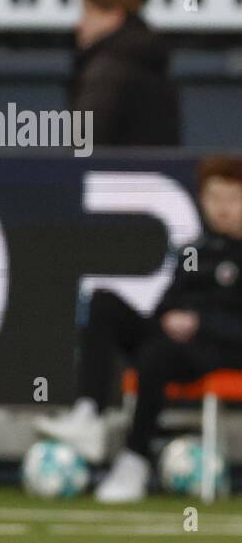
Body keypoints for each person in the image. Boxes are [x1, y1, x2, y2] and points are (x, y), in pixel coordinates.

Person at [36, 155, 242, 502]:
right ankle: (89, 414)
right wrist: (170, 317)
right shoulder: (196, 251)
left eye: (233, 199)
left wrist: (199, 323)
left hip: (220, 352)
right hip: (173, 346)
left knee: (155, 355)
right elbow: (165, 304)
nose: (223, 209)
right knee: (104, 303)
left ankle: (134, 461)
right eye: (215, 199)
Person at [69, 0, 180, 148]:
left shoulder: (108, 69)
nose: (80, 24)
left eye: (89, 11)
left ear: (115, 14)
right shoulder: (148, 59)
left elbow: (84, 140)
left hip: (109, 172)